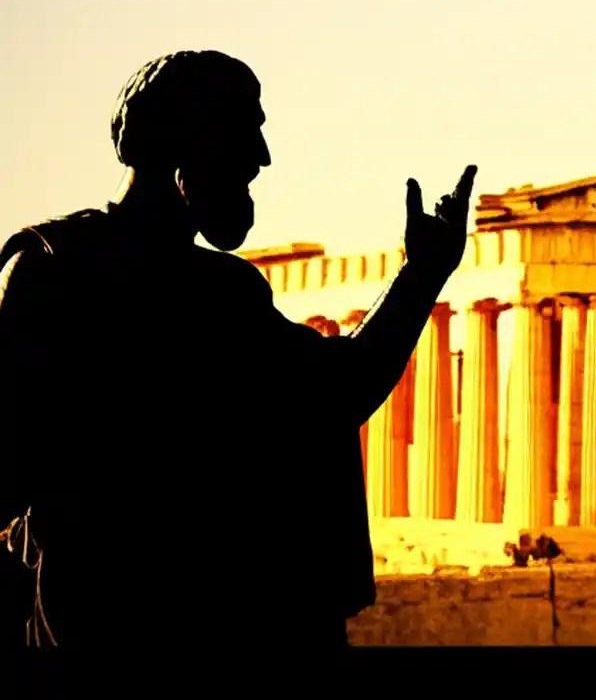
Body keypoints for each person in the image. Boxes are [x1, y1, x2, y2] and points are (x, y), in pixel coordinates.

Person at [0, 49, 476, 649]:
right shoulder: (53, 270)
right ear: (182, 143)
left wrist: (422, 275)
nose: (262, 158)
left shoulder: (223, 289)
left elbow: (334, 391)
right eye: (244, 135)